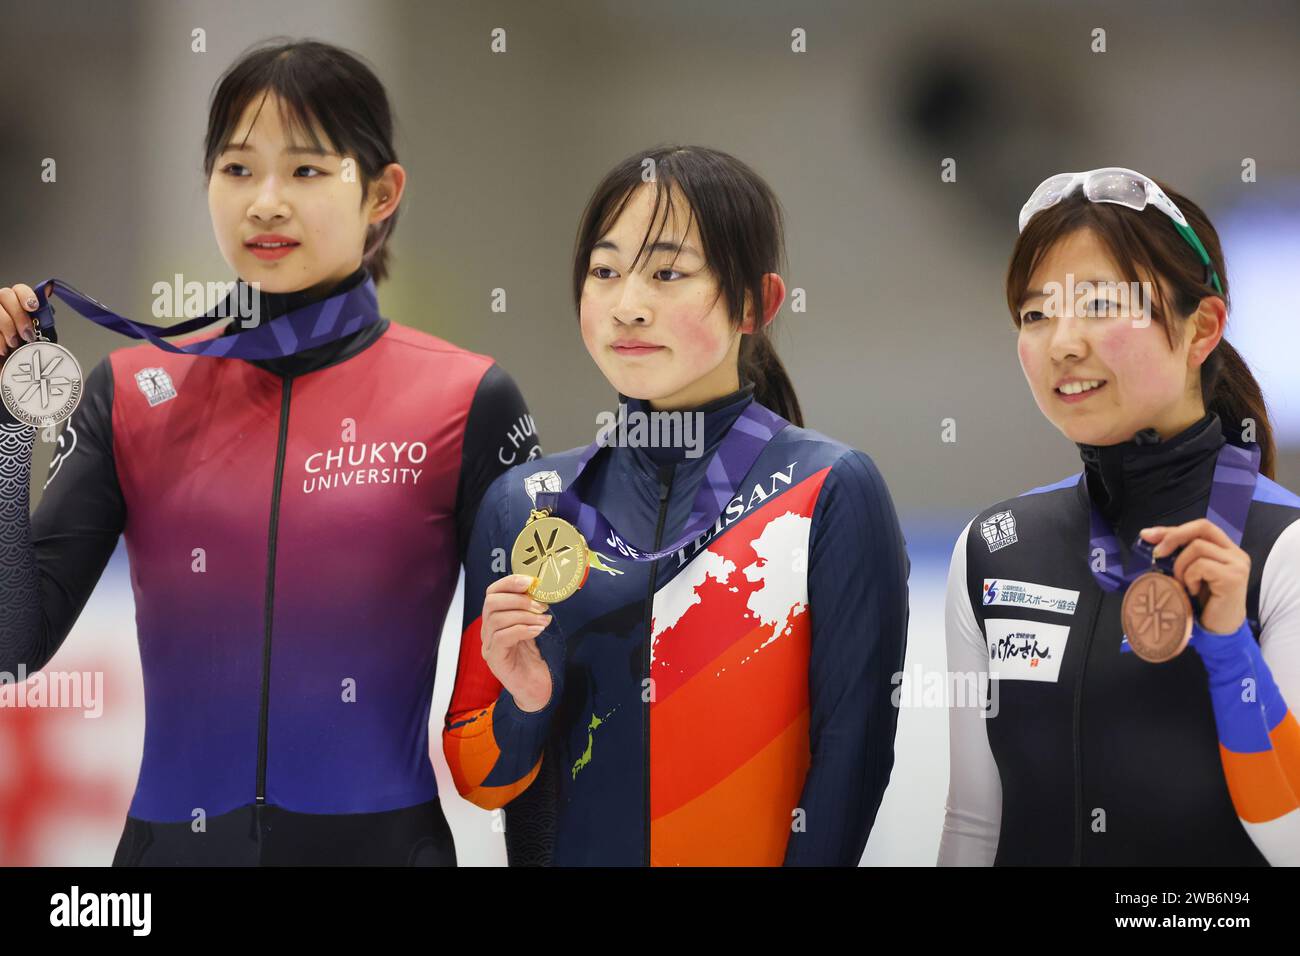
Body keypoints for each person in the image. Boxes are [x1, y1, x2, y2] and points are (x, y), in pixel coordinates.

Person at [0, 39, 539, 865]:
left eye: (308, 171)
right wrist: (6, 434)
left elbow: (530, 689)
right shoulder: (134, 391)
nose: (265, 203)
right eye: (238, 169)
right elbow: (13, 649)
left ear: (382, 192)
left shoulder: (467, 400)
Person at [442, 145, 910, 866]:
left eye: (667, 273)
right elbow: (481, 780)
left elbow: (853, 761)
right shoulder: (528, 507)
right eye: (604, 271)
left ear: (757, 302)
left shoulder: (829, 491)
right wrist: (526, 703)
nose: (628, 305)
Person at [940, 167, 1300, 865]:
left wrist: (1231, 652)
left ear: (1203, 329)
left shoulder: (1282, 548)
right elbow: (974, 824)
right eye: (1036, 313)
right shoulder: (995, 548)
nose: (1063, 343)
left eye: (1101, 305)